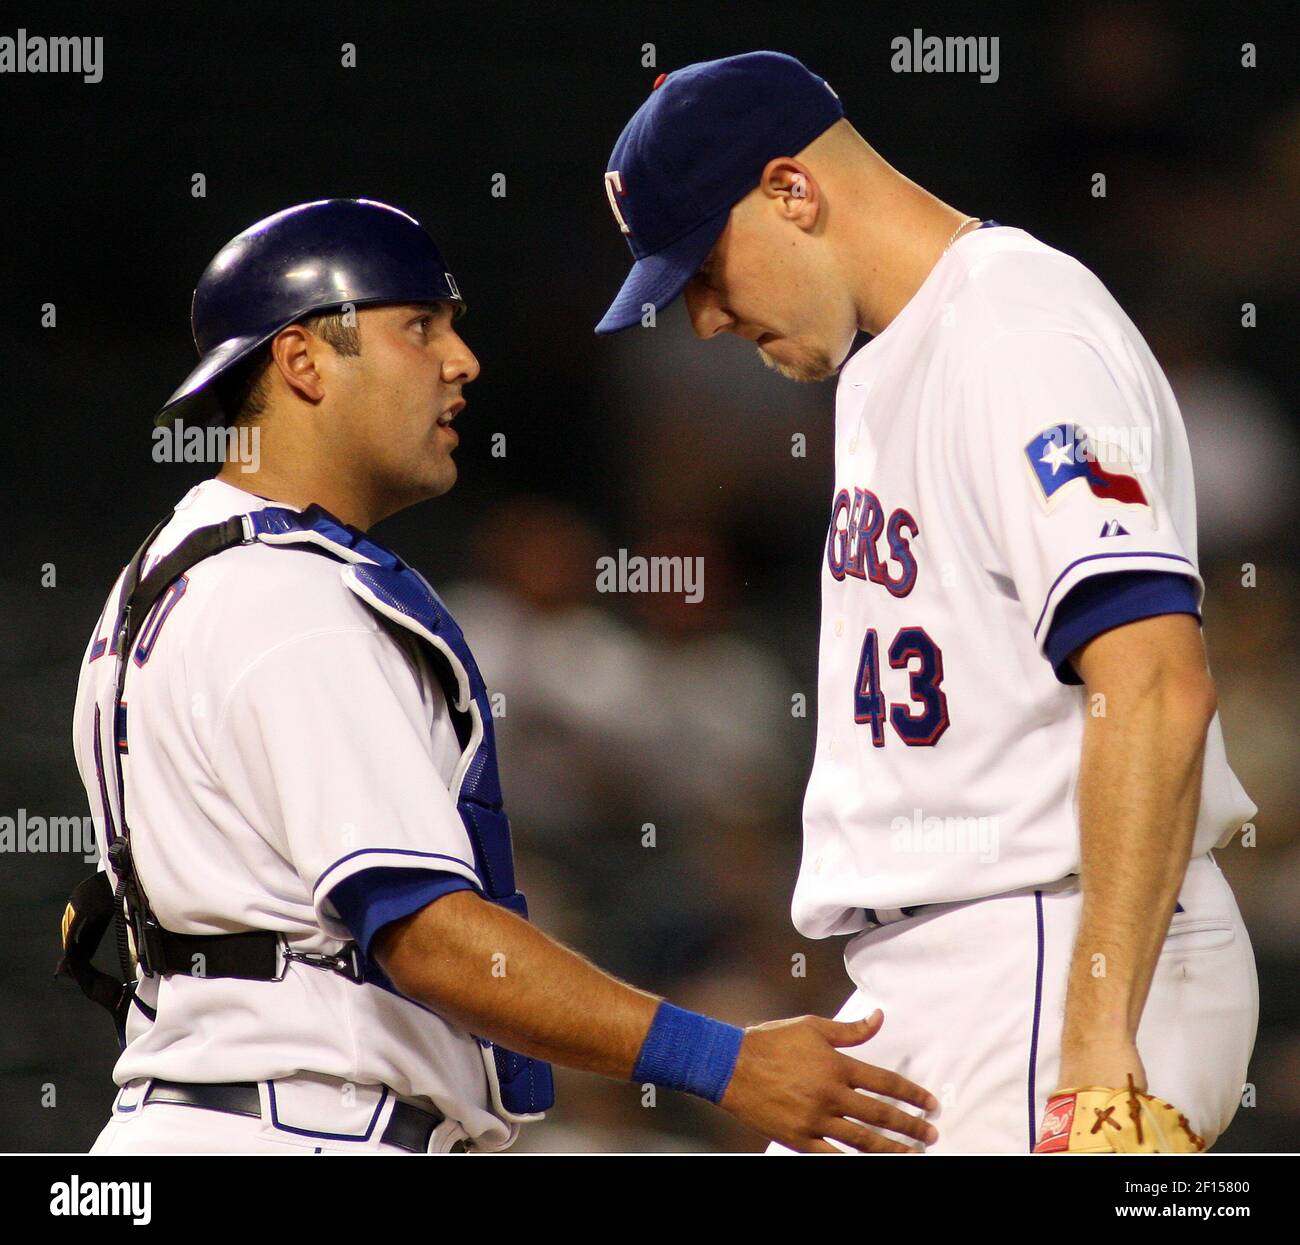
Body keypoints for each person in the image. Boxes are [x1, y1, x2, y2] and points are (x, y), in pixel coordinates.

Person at [62, 197, 938, 1155]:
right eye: (419, 327)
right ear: (302, 361)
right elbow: (428, 936)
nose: (461, 361)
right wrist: (723, 1059)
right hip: (299, 1123)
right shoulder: (284, 599)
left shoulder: (172, 575)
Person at [595, 52, 1258, 1153]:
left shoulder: (1014, 327)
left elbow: (1151, 681)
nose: (703, 319)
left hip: (1052, 952)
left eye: (703, 267)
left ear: (791, 191)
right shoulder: (889, 357)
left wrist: (1096, 1047)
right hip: (948, 974)